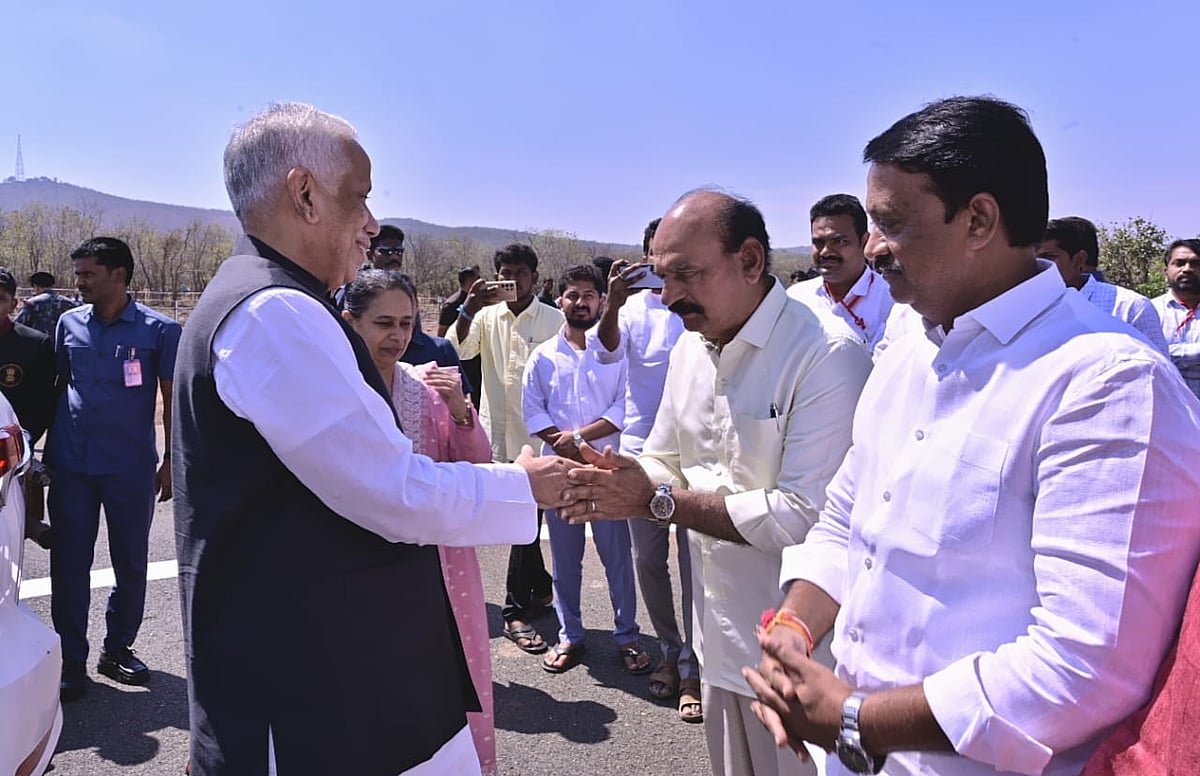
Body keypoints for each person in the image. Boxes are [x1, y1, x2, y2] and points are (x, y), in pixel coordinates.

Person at [744, 96, 1200, 776]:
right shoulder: (908, 349)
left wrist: (859, 718)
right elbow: (847, 522)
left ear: (980, 219)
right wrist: (794, 629)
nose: (871, 248)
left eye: (891, 224)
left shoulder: (1107, 383)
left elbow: (1085, 666)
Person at [173, 102, 573, 775]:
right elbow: (392, 490)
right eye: (357, 198)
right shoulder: (276, 314)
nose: (372, 223)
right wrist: (525, 487)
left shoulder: (271, 300)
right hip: (314, 693)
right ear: (303, 194)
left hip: (336, 669)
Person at [562, 190, 872, 776]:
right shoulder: (691, 348)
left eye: (688, 274)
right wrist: (616, 480)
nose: (670, 294)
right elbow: (664, 457)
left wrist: (655, 501)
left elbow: (804, 517)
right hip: (719, 647)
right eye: (662, 275)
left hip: (806, 661)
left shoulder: (827, 354)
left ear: (751, 261)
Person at [341, 269, 498, 776]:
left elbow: (476, 465)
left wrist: (460, 411)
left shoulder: (428, 388)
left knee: (448, 678)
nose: (397, 336)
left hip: (439, 562)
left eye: (406, 323)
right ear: (349, 323)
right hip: (354, 564)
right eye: (383, 322)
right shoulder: (330, 396)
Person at [47, 237, 180, 702]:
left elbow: (171, 399)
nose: (79, 282)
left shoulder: (159, 331)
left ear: (118, 274)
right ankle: (70, 659)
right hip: (72, 464)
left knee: (130, 563)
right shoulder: (68, 324)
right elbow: (60, 386)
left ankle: (117, 647)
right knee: (69, 564)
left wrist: (171, 461)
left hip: (130, 467)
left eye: (88, 274)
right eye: (79, 273)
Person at [588, 218, 698, 720]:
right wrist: (612, 301)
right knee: (650, 563)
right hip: (643, 454)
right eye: (655, 255)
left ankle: (696, 664)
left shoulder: (700, 303)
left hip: (699, 455)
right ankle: (670, 651)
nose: (662, 267)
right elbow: (607, 354)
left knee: (697, 565)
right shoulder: (631, 308)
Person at [523, 264, 648, 675]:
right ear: (559, 299)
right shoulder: (542, 356)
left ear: (601, 300)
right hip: (558, 472)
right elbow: (533, 410)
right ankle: (570, 635)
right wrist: (563, 443)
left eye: (589, 295)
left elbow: (623, 407)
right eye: (572, 295)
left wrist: (579, 439)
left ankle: (627, 636)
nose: (580, 302)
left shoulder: (615, 352)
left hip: (607, 469)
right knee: (565, 558)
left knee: (617, 557)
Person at [448, 243, 564, 655]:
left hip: (539, 436)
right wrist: (467, 306)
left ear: (534, 276)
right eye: (504, 272)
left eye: (519, 273)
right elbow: (458, 349)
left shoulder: (554, 320)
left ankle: (514, 611)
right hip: (497, 432)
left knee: (523, 517)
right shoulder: (485, 315)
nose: (512, 280)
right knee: (522, 517)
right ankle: (542, 587)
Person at [1037, 216, 1169, 354]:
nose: (1038, 264)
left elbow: (1159, 367)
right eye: (1033, 258)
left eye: (1048, 257)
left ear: (1079, 259)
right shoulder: (1028, 306)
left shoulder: (1130, 307)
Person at [787, 194, 894, 350]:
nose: (825, 252)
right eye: (818, 243)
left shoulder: (892, 300)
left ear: (864, 241)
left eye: (838, 241)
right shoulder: (795, 299)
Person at [0, 267, 57, 549]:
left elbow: (42, 405)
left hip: (11, 463)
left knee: (8, 548)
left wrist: (16, 447)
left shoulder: (34, 345)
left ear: (13, 303)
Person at [1152, 238, 1200, 399]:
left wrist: (1167, 354)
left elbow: (1160, 355)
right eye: (1179, 263)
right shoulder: (1148, 310)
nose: (1187, 269)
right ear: (1166, 272)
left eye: (1195, 264)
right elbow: (1148, 358)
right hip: (1165, 409)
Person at [438, 266, 483, 407]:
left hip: (476, 355)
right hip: (458, 358)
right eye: (476, 278)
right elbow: (442, 335)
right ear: (470, 281)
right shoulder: (451, 304)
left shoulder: (481, 301)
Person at [16, 270, 78, 337]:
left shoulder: (32, 303)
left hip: (37, 344)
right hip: (62, 344)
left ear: (37, 287)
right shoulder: (69, 303)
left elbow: (18, 325)